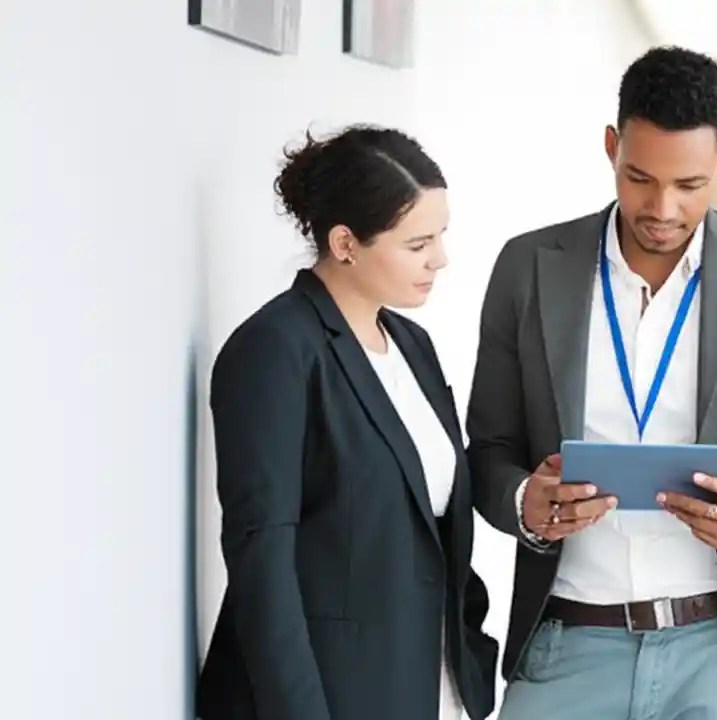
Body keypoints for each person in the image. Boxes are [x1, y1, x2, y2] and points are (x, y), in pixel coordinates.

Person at [466, 46, 717, 719]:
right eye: (640, 177)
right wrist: (526, 502)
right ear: (611, 147)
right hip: (569, 643)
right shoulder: (528, 266)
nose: (663, 208)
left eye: (689, 184)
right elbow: (488, 450)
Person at [196, 125, 497, 720]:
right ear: (345, 243)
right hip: (328, 697)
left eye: (441, 236)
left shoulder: (412, 345)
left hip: (428, 687)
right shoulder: (275, 349)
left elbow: (434, 525)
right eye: (417, 243)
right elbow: (262, 560)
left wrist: (470, 648)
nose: (440, 259)